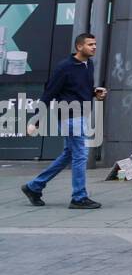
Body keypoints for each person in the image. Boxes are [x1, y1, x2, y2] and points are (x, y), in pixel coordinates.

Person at [21, 33, 106, 210]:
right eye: (90, 44)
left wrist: (94, 92)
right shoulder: (64, 67)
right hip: (69, 116)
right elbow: (49, 93)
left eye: (95, 44)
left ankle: (34, 186)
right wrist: (35, 120)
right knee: (81, 155)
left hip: (81, 115)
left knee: (69, 154)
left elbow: (79, 89)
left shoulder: (88, 64)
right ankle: (79, 197)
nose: (94, 47)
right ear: (79, 47)